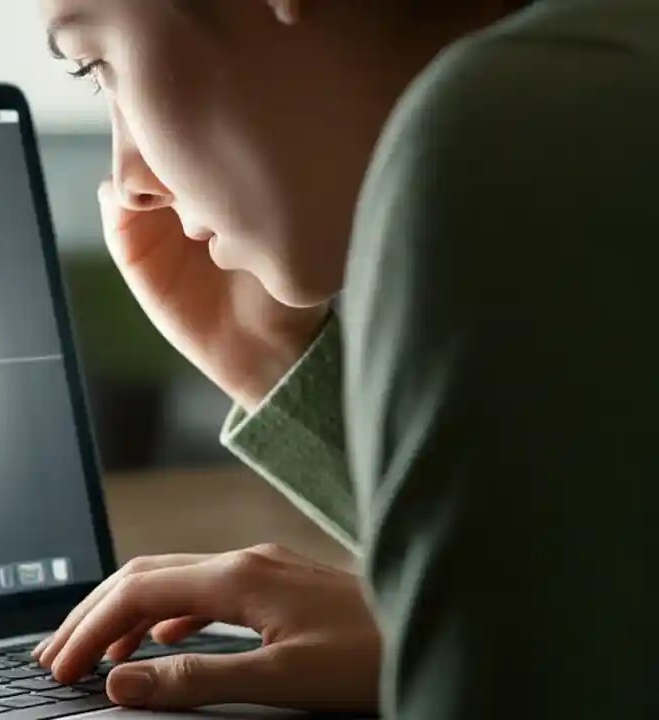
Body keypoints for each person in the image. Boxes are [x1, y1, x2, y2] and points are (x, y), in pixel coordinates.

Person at [34, 0, 659, 717]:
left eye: (94, 64)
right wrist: (269, 359)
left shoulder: (504, 129)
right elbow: (595, 615)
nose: (131, 178)